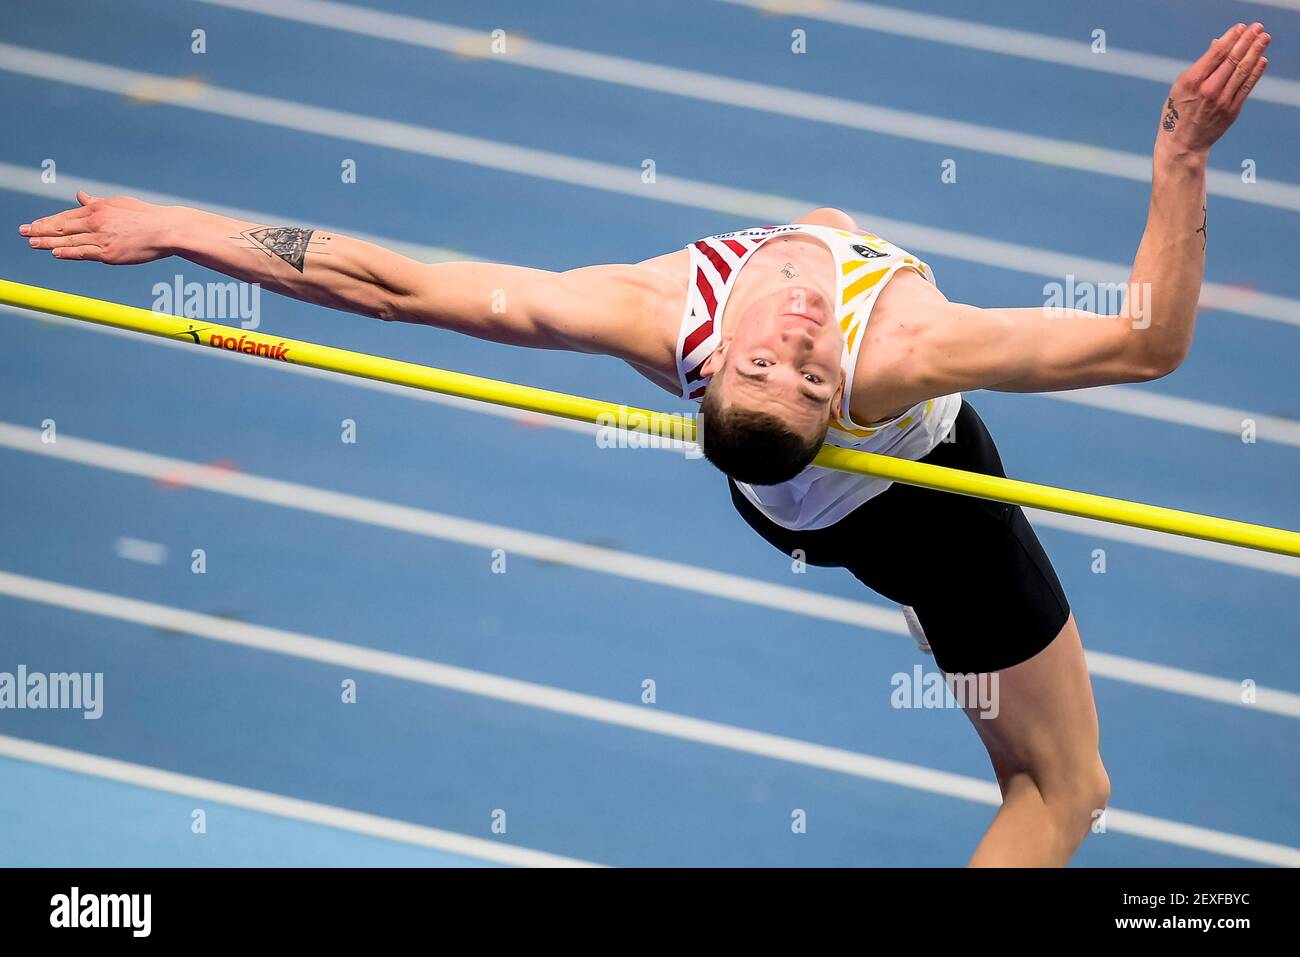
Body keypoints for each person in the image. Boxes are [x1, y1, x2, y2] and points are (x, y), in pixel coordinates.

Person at [19, 23, 1270, 865]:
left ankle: (892, 582)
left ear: (716, 370)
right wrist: (1180, 161)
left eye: (776, 361)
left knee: (925, 598)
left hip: (806, 495)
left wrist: (178, 223)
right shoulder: (896, 350)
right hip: (923, 514)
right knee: (1065, 793)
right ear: (840, 397)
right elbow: (1145, 345)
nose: (790, 331)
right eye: (800, 364)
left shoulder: (658, 312)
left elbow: (388, 284)